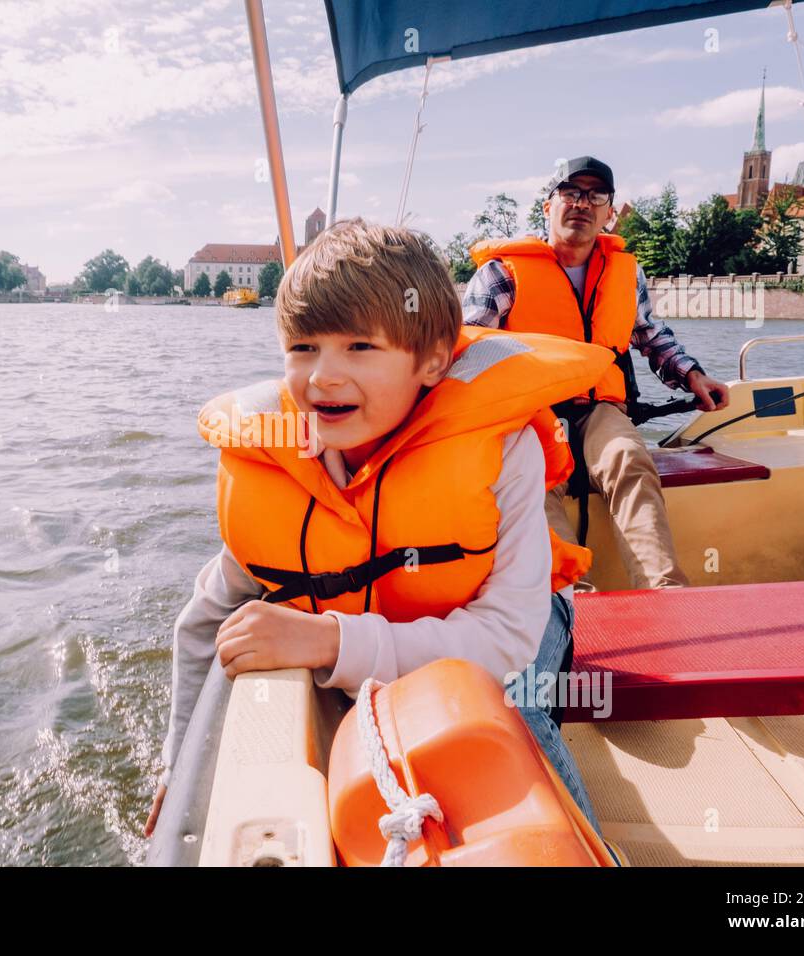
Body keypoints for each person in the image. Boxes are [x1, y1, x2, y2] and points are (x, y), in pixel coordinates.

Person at [144, 218, 618, 840]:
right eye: (303, 348)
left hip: (522, 627)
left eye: (360, 348)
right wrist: (178, 768)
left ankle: (583, 845)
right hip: (381, 628)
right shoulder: (278, 455)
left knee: (511, 710)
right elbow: (206, 621)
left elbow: (507, 646)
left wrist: (331, 644)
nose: (322, 378)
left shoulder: (502, 451)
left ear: (432, 362)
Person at [464, 156, 730, 590]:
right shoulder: (501, 273)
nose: (582, 205)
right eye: (570, 193)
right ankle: (571, 598)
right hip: (533, 411)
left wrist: (693, 376)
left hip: (600, 407)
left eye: (595, 196)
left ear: (609, 211)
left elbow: (648, 333)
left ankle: (663, 591)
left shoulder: (626, 272)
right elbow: (469, 349)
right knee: (531, 481)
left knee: (629, 457)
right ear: (548, 206)